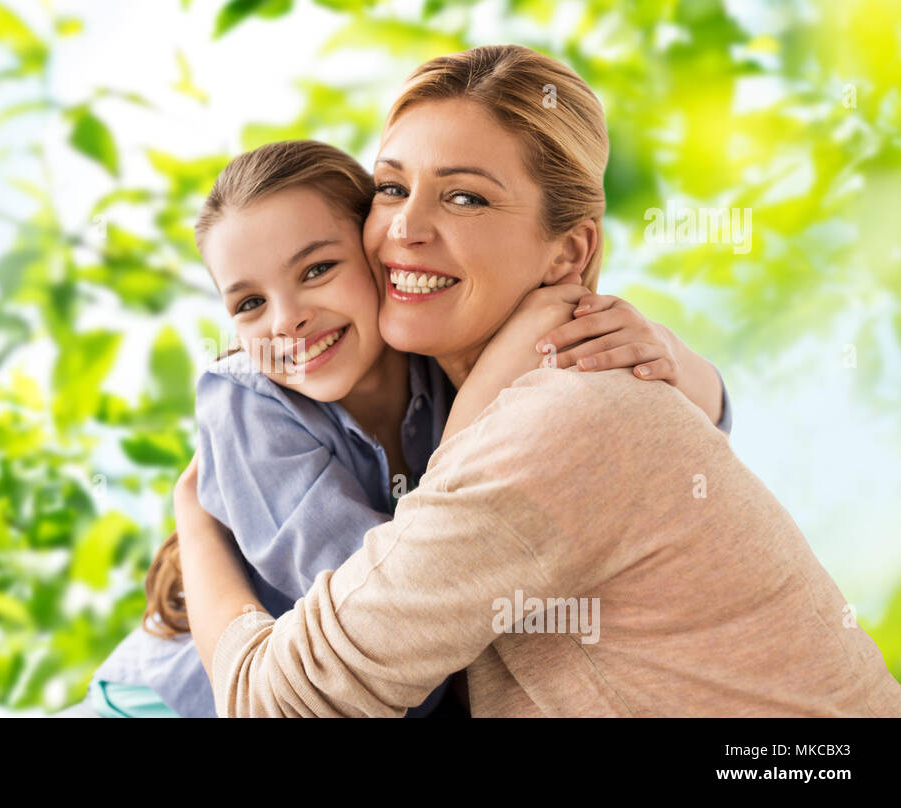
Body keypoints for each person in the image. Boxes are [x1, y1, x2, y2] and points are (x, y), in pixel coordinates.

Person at [174, 45, 901, 717]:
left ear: (568, 252)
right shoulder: (476, 385)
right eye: (392, 188)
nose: (405, 230)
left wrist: (197, 526)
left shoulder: (565, 419)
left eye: (466, 198)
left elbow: (278, 704)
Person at [89, 134, 734, 717]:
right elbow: (393, 631)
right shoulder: (247, 406)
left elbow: (669, 439)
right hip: (168, 702)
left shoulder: (436, 354)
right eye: (250, 303)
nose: (286, 320)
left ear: (381, 257)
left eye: (317, 270)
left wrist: (672, 356)